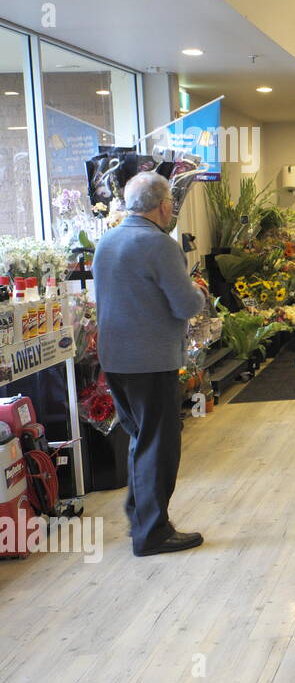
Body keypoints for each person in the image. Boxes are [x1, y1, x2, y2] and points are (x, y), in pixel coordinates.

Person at [92, 173, 207, 557]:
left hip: (115, 360)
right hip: (151, 360)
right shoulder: (159, 245)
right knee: (160, 446)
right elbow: (185, 305)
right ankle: (153, 532)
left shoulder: (106, 242)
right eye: (171, 204)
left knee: (141, 439)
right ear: (162, 206)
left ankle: (140, 517)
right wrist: (200, 292)